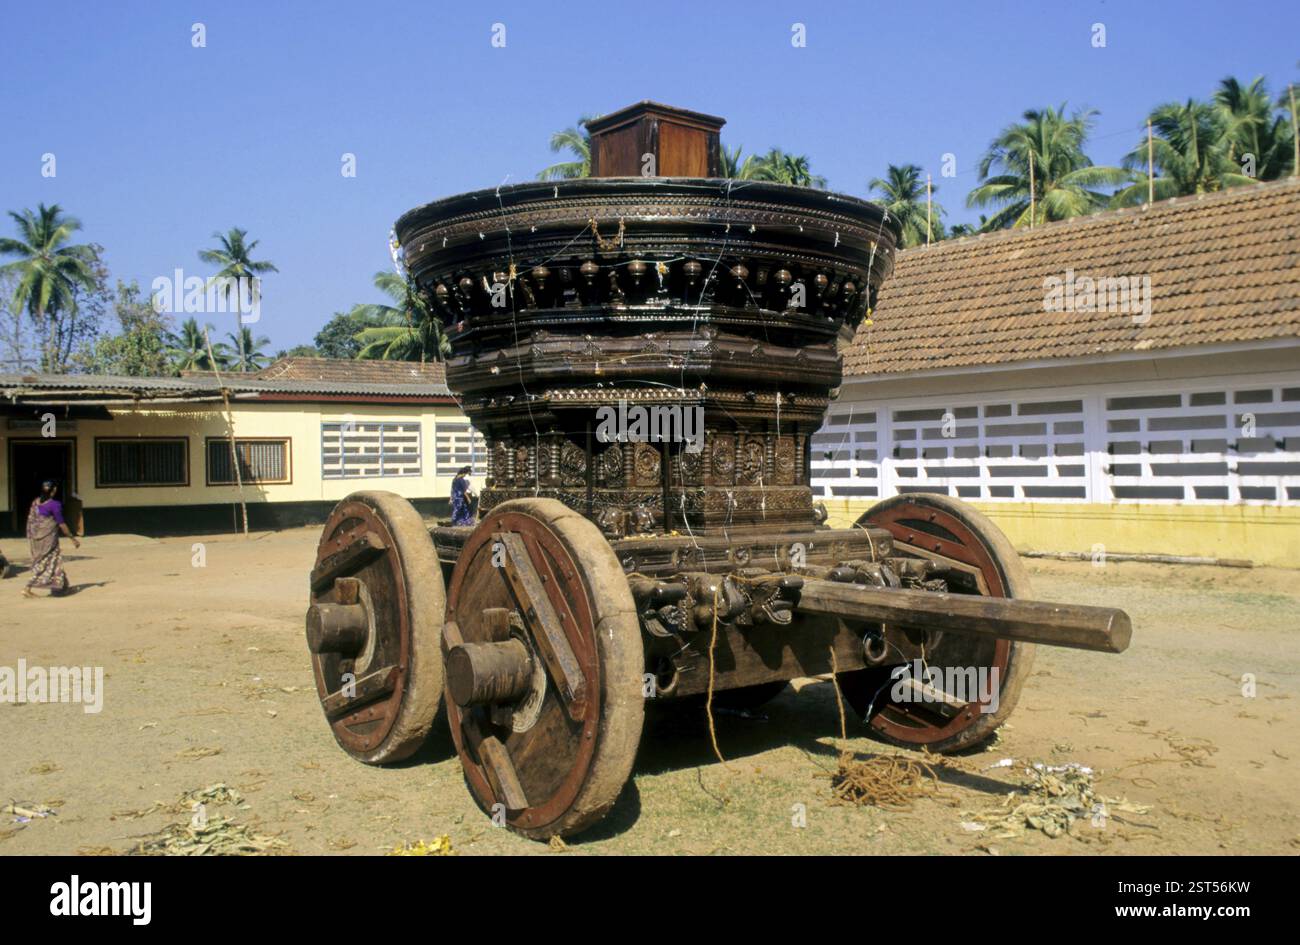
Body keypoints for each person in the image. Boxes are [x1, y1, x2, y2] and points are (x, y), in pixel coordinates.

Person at [23, 480, 80, 598]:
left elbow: (33, 521)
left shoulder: (36, 502)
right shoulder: (54, 504)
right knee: (45, 563)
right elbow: (61, 524)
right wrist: (72, 538)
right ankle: (27, 587)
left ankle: (63, 587)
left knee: (54, 562)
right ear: (54, 490)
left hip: (36, 539)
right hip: (48, 540)